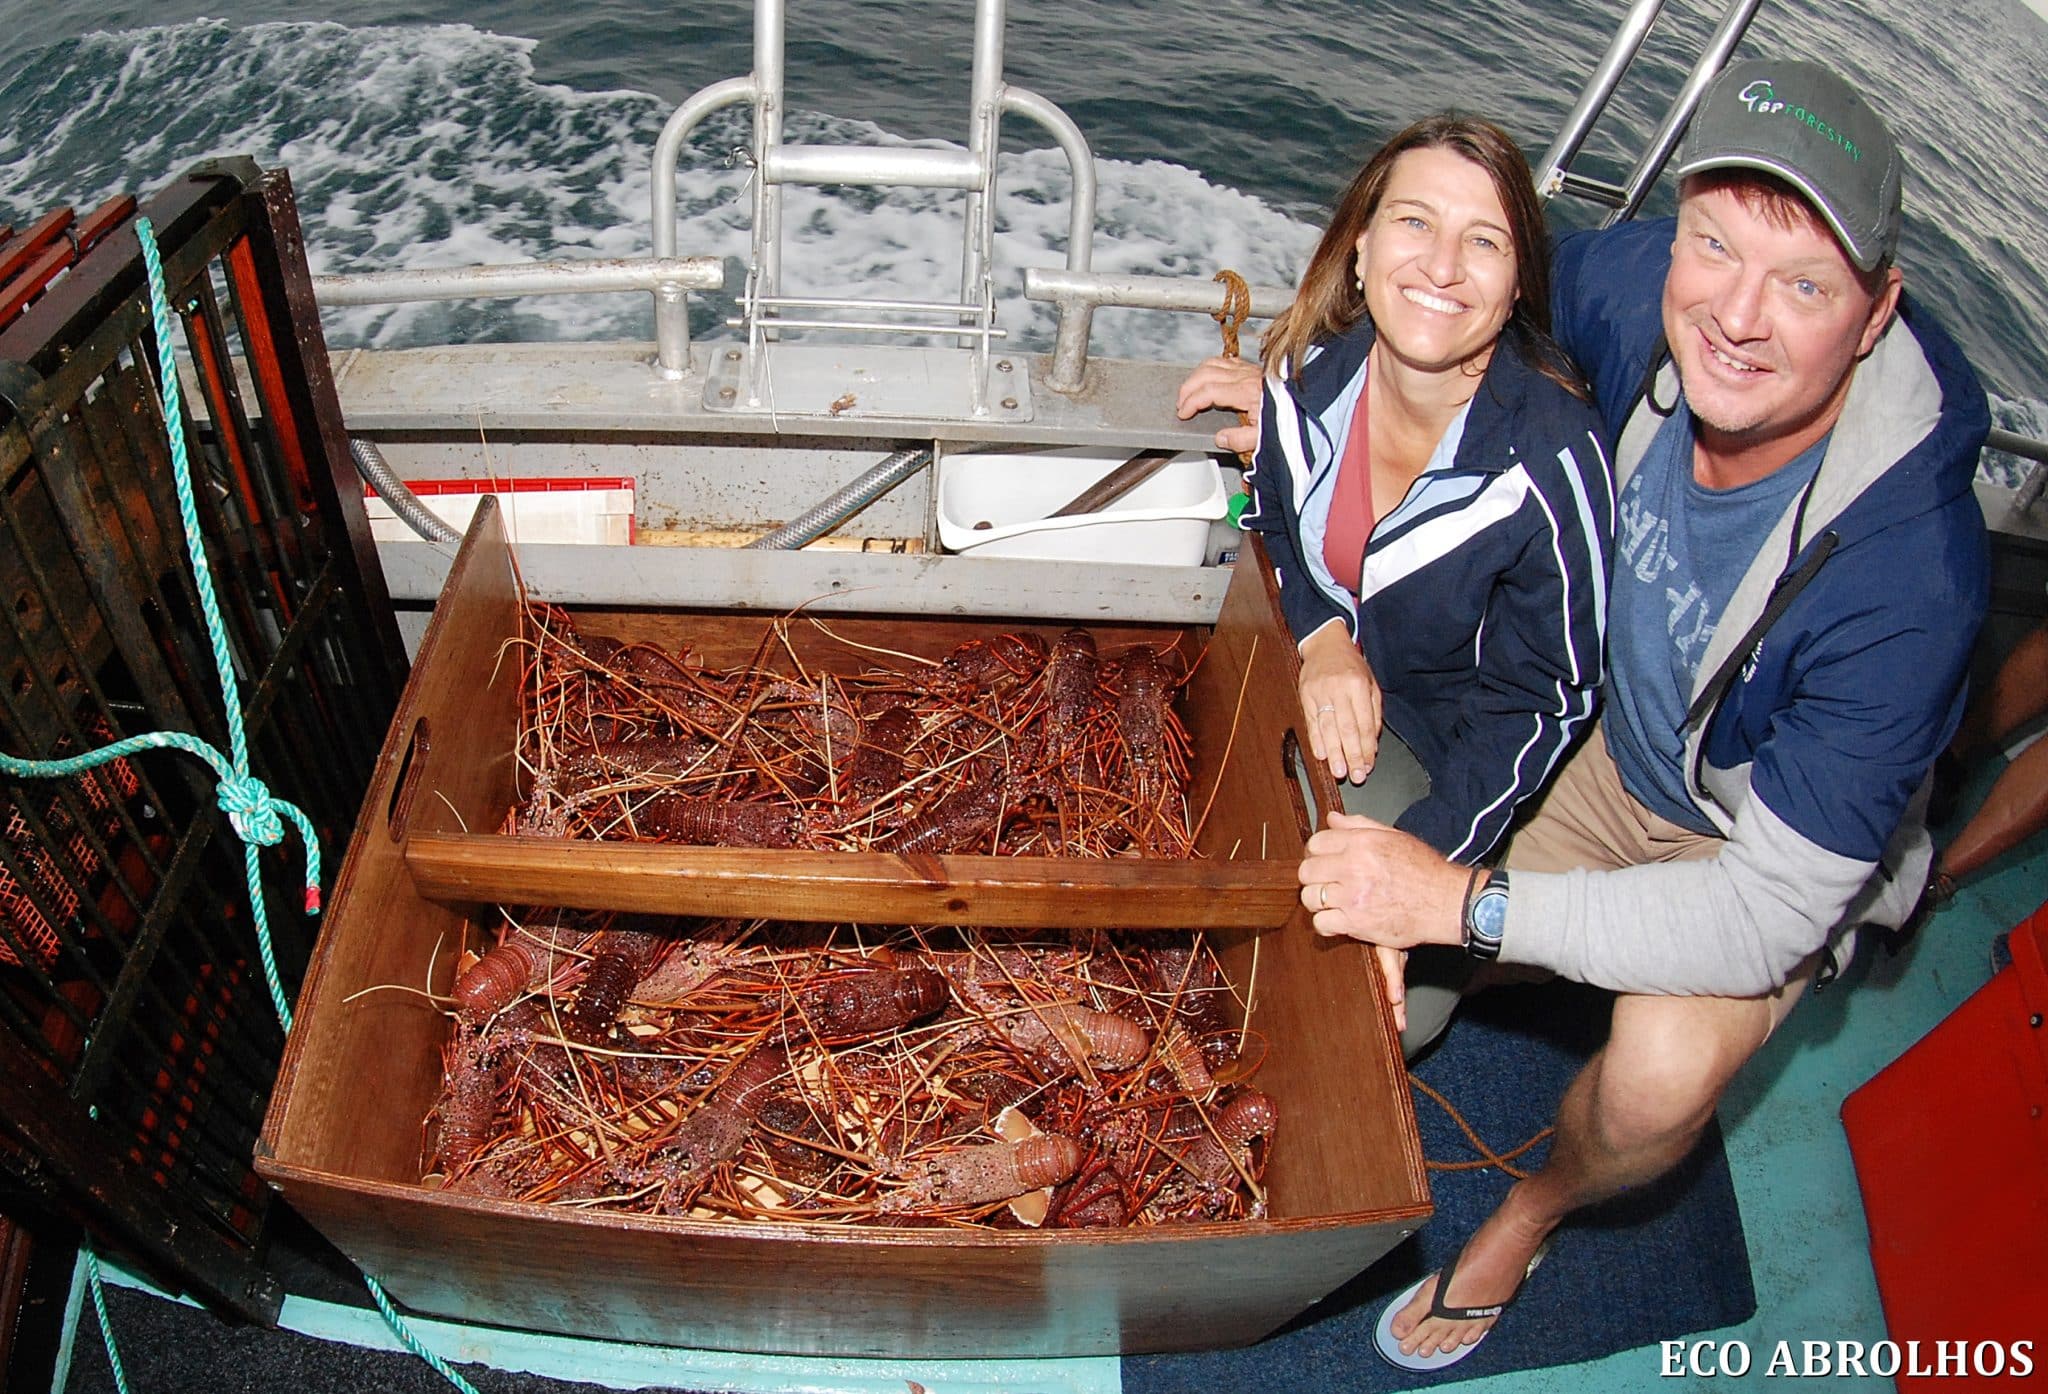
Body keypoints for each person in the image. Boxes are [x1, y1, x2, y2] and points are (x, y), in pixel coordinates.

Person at [1291, 61, 1991, 1370]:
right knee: (1344, 936)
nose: (1733, 315)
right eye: (1715, 243)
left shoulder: (1916, 579)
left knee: (1659, 1071)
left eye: (1805, 283)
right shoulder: (1625, 284)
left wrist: (1464, 904)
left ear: (1877, 310)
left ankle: (1533, 1209)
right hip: (1600, 735)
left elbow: (1770, 911)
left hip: (1746, 850)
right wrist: (1285, 409)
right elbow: (1442, 298)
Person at [1175, 115, 1612, 898]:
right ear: (1363, 245)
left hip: (1440, 749)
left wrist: (1423, 865)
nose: (1442, 267)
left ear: (1517, 287)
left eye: (1484, 241)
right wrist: (1323, 637)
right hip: (1318, 671)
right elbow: (1270, 511)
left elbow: (1539, 701)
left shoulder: (1552, 464)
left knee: (1369, 981)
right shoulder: (1304, 377)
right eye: (1415, 222)